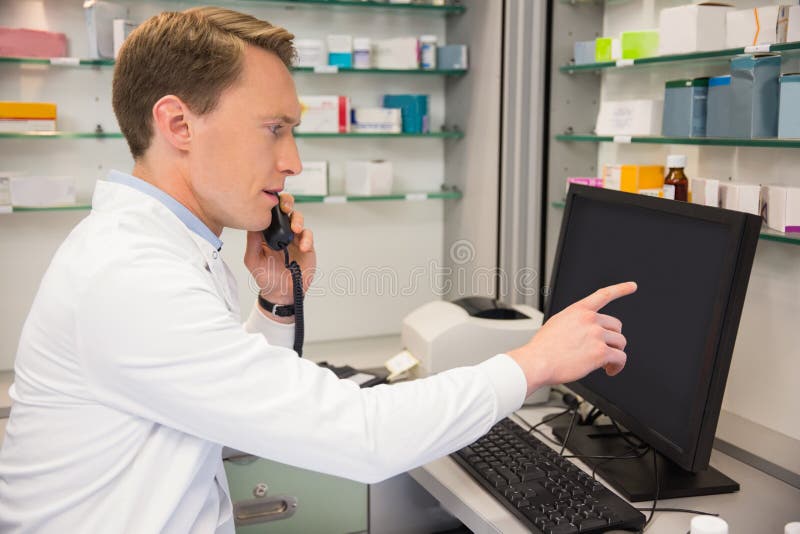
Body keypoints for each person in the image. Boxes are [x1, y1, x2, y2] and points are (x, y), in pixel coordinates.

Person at [0, 7, 636, 533]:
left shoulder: (156, 247)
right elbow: (363, 437)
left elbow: (218, 396)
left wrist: (277, 305)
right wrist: (535, 362)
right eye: (274, 129)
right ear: (177, 123)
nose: (293, 161)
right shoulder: (132, 275)